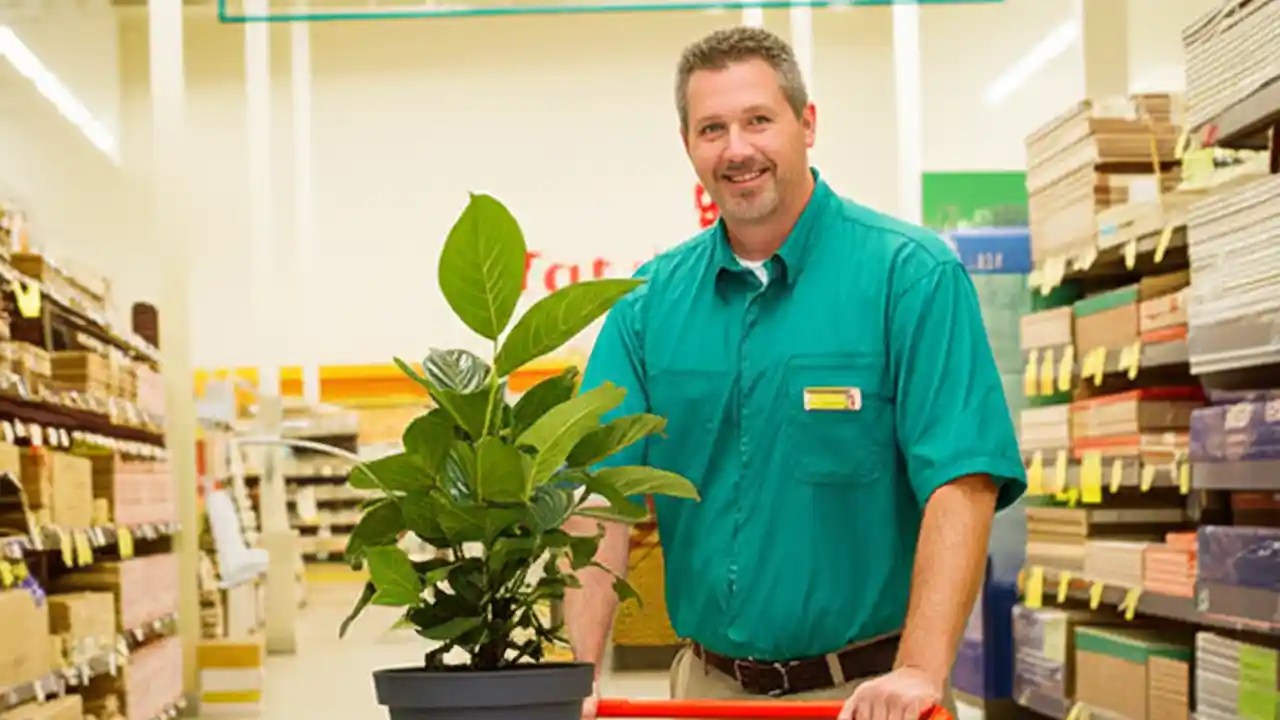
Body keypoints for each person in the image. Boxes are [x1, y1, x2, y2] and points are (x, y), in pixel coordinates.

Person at [562, 25, 1026, 720]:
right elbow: (600, 501)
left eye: (758, 120)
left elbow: (963, 481)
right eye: (711, 128)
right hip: (705, 694)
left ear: (806, 125)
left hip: (871, 696)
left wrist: (922, 671)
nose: (737, 148)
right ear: (688, 144)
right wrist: (576, 675)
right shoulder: (647, 306)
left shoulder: (910, 277)